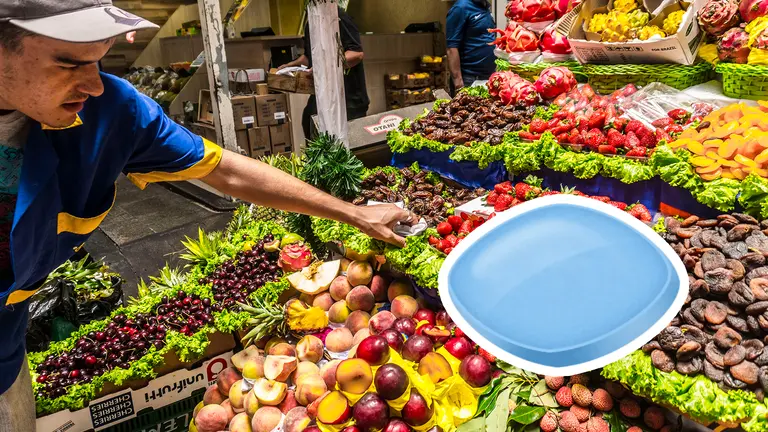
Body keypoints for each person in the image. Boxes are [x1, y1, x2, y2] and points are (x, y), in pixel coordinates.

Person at [0, 1, 413, 429]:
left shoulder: (112, 112)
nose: (95, 85)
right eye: (69, 63)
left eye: (99, 61)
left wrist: (353, 213)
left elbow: (227, 171)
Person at [278, 6, 370, 138]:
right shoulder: (311, 21)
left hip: (349, 99)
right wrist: (290, 66)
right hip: (322, 95)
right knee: (308, 121)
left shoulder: (339, 17)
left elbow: (356, 54)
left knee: (344, 146)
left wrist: (325, 66)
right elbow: (309, 56)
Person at [446, 0, 497, 91]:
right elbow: (451, 48)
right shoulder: (460, 8)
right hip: (470, 78)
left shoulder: (485, 7)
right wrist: (458, 84)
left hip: (488, 75)